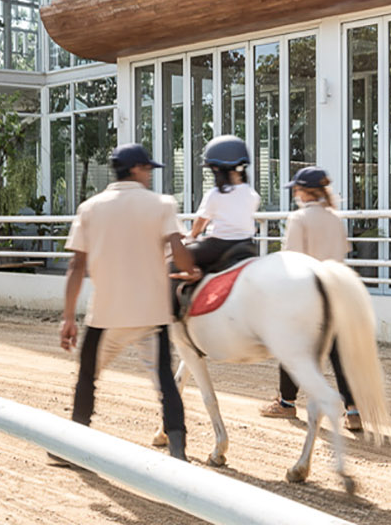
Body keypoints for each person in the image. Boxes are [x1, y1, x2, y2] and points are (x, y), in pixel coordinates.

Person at [58, 143, 199, 464]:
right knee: (164, 380)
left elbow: (76, 267)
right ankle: (178, 449)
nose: (150, 174)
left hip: (107, 314)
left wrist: (68, 317)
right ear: (134, 169)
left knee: (87, 378)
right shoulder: (161, 204)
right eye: (147, 168)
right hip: (152, 313)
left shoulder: (90, 208)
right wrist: (191, 270)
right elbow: (178, 251)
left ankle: (74, 447)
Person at [261, 165, 360, 431]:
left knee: (289, 345)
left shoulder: (299, 219)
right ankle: (353, 410)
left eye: (297, 188)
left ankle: (286, 402)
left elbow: (293, 259)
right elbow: (342, 252)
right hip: (336, 290)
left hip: (308, 292)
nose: (295, 192)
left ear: (305, 191)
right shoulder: (335, 218)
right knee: (339, 354)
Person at [187, 134, 262, 273]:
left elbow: (201, 221)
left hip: (218, 246)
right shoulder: (252, 194)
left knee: (178, 259)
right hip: (247, 245)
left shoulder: (215, 194)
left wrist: (191, 236)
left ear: (217, 169)